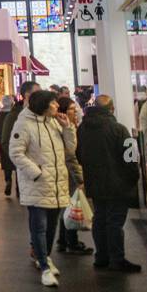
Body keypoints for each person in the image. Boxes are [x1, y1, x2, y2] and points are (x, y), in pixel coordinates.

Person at [9, 89, 76, 287]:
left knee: (52, 225)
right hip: (37, 184)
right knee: (39, 226)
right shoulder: (24, 124)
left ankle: (44, 257)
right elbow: (15, 152)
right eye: (54, 103)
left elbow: (70, 150)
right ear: (44, 106)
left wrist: (68, 128)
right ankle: (45, 268)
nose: (57, 106)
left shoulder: (55, 122)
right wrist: (37, 173)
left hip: (56, 183)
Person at [76, 94, 142, 272]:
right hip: (117, 184)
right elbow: (131, 158)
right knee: (114, 222)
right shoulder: (120, 129)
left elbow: (79, 155)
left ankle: (101, 257)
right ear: (111, 109)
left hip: (95, 183)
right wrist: (133, 178)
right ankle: (117, 259)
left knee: (100, 218)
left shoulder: (82, 128)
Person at [56, 92, 92, 256]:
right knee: (71, 207)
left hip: (65, 172)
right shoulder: (65, 129)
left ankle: (64, 241)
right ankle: (71, 241)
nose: (75, 112)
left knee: (67, 207)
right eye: (71, 109)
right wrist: (80, 178)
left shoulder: (68, 127)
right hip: (68, 173)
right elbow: (70, 156)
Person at [0, 82, 37, 197]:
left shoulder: (40, 115)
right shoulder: (14, 116)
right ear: (27, 95)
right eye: (37, 93)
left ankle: (11, 183)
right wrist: (27, 165)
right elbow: (6, 141)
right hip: (29, 170)